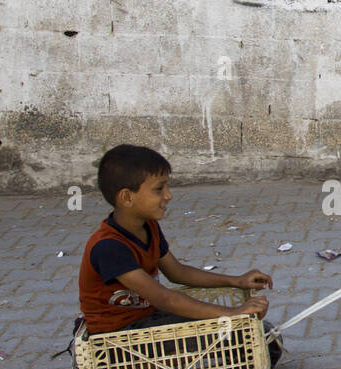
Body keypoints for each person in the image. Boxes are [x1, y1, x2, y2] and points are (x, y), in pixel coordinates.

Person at [78, 144, 273, 336]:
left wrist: (237, 281)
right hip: (118, 338)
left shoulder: (148, 226)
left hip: (147, 320)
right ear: (127, 197)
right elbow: (165, 299)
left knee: (263, 337)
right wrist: (232, 314)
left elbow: (177, 272)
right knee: (247, 336)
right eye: (159, 189)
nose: (168, 195)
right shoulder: (109, 247)